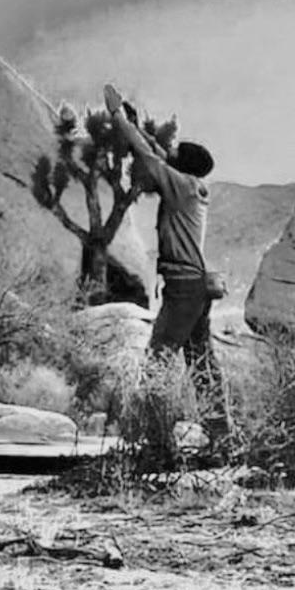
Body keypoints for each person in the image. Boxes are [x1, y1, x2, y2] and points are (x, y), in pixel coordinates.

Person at [103, 82, 231, 450]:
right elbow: (157, 151)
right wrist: (133, 122)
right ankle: (222, 436)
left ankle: (155, 437)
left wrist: (117, 118)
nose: (169, 152)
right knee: (201, 361)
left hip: (184, 288)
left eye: (175, 153)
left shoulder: (182, 186)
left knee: (157, 359)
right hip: (194, 285)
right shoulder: (190, 185)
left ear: (182, 165)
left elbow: (149, 156)